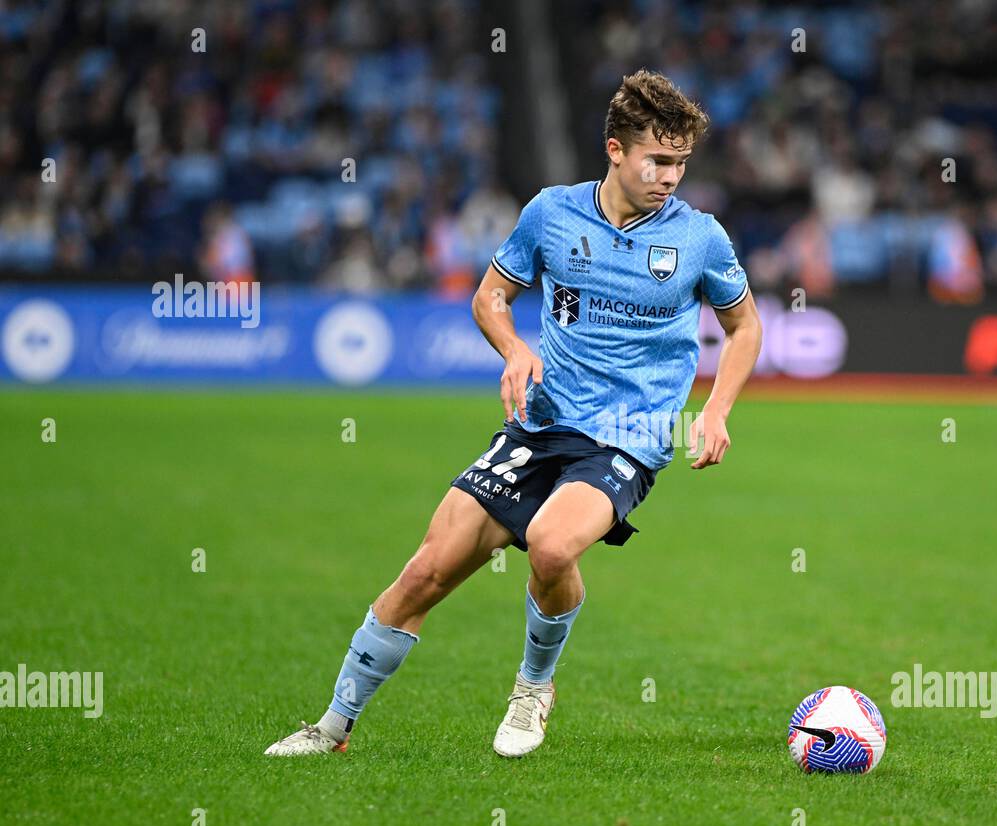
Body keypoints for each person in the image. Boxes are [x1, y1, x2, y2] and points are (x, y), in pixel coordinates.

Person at [265, 69, 762, 759]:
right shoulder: (551, 215)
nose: (671, 176)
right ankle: (331, 727)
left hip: (626, 437)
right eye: (658, 159)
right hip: (539, 423)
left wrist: (717, 409)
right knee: (424, 573)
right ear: (614, 149)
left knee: (555, 545)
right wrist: (513, 349)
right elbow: (489, 297)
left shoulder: (700, 238)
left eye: (681, 163)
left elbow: (744, 327)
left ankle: (533, 688)